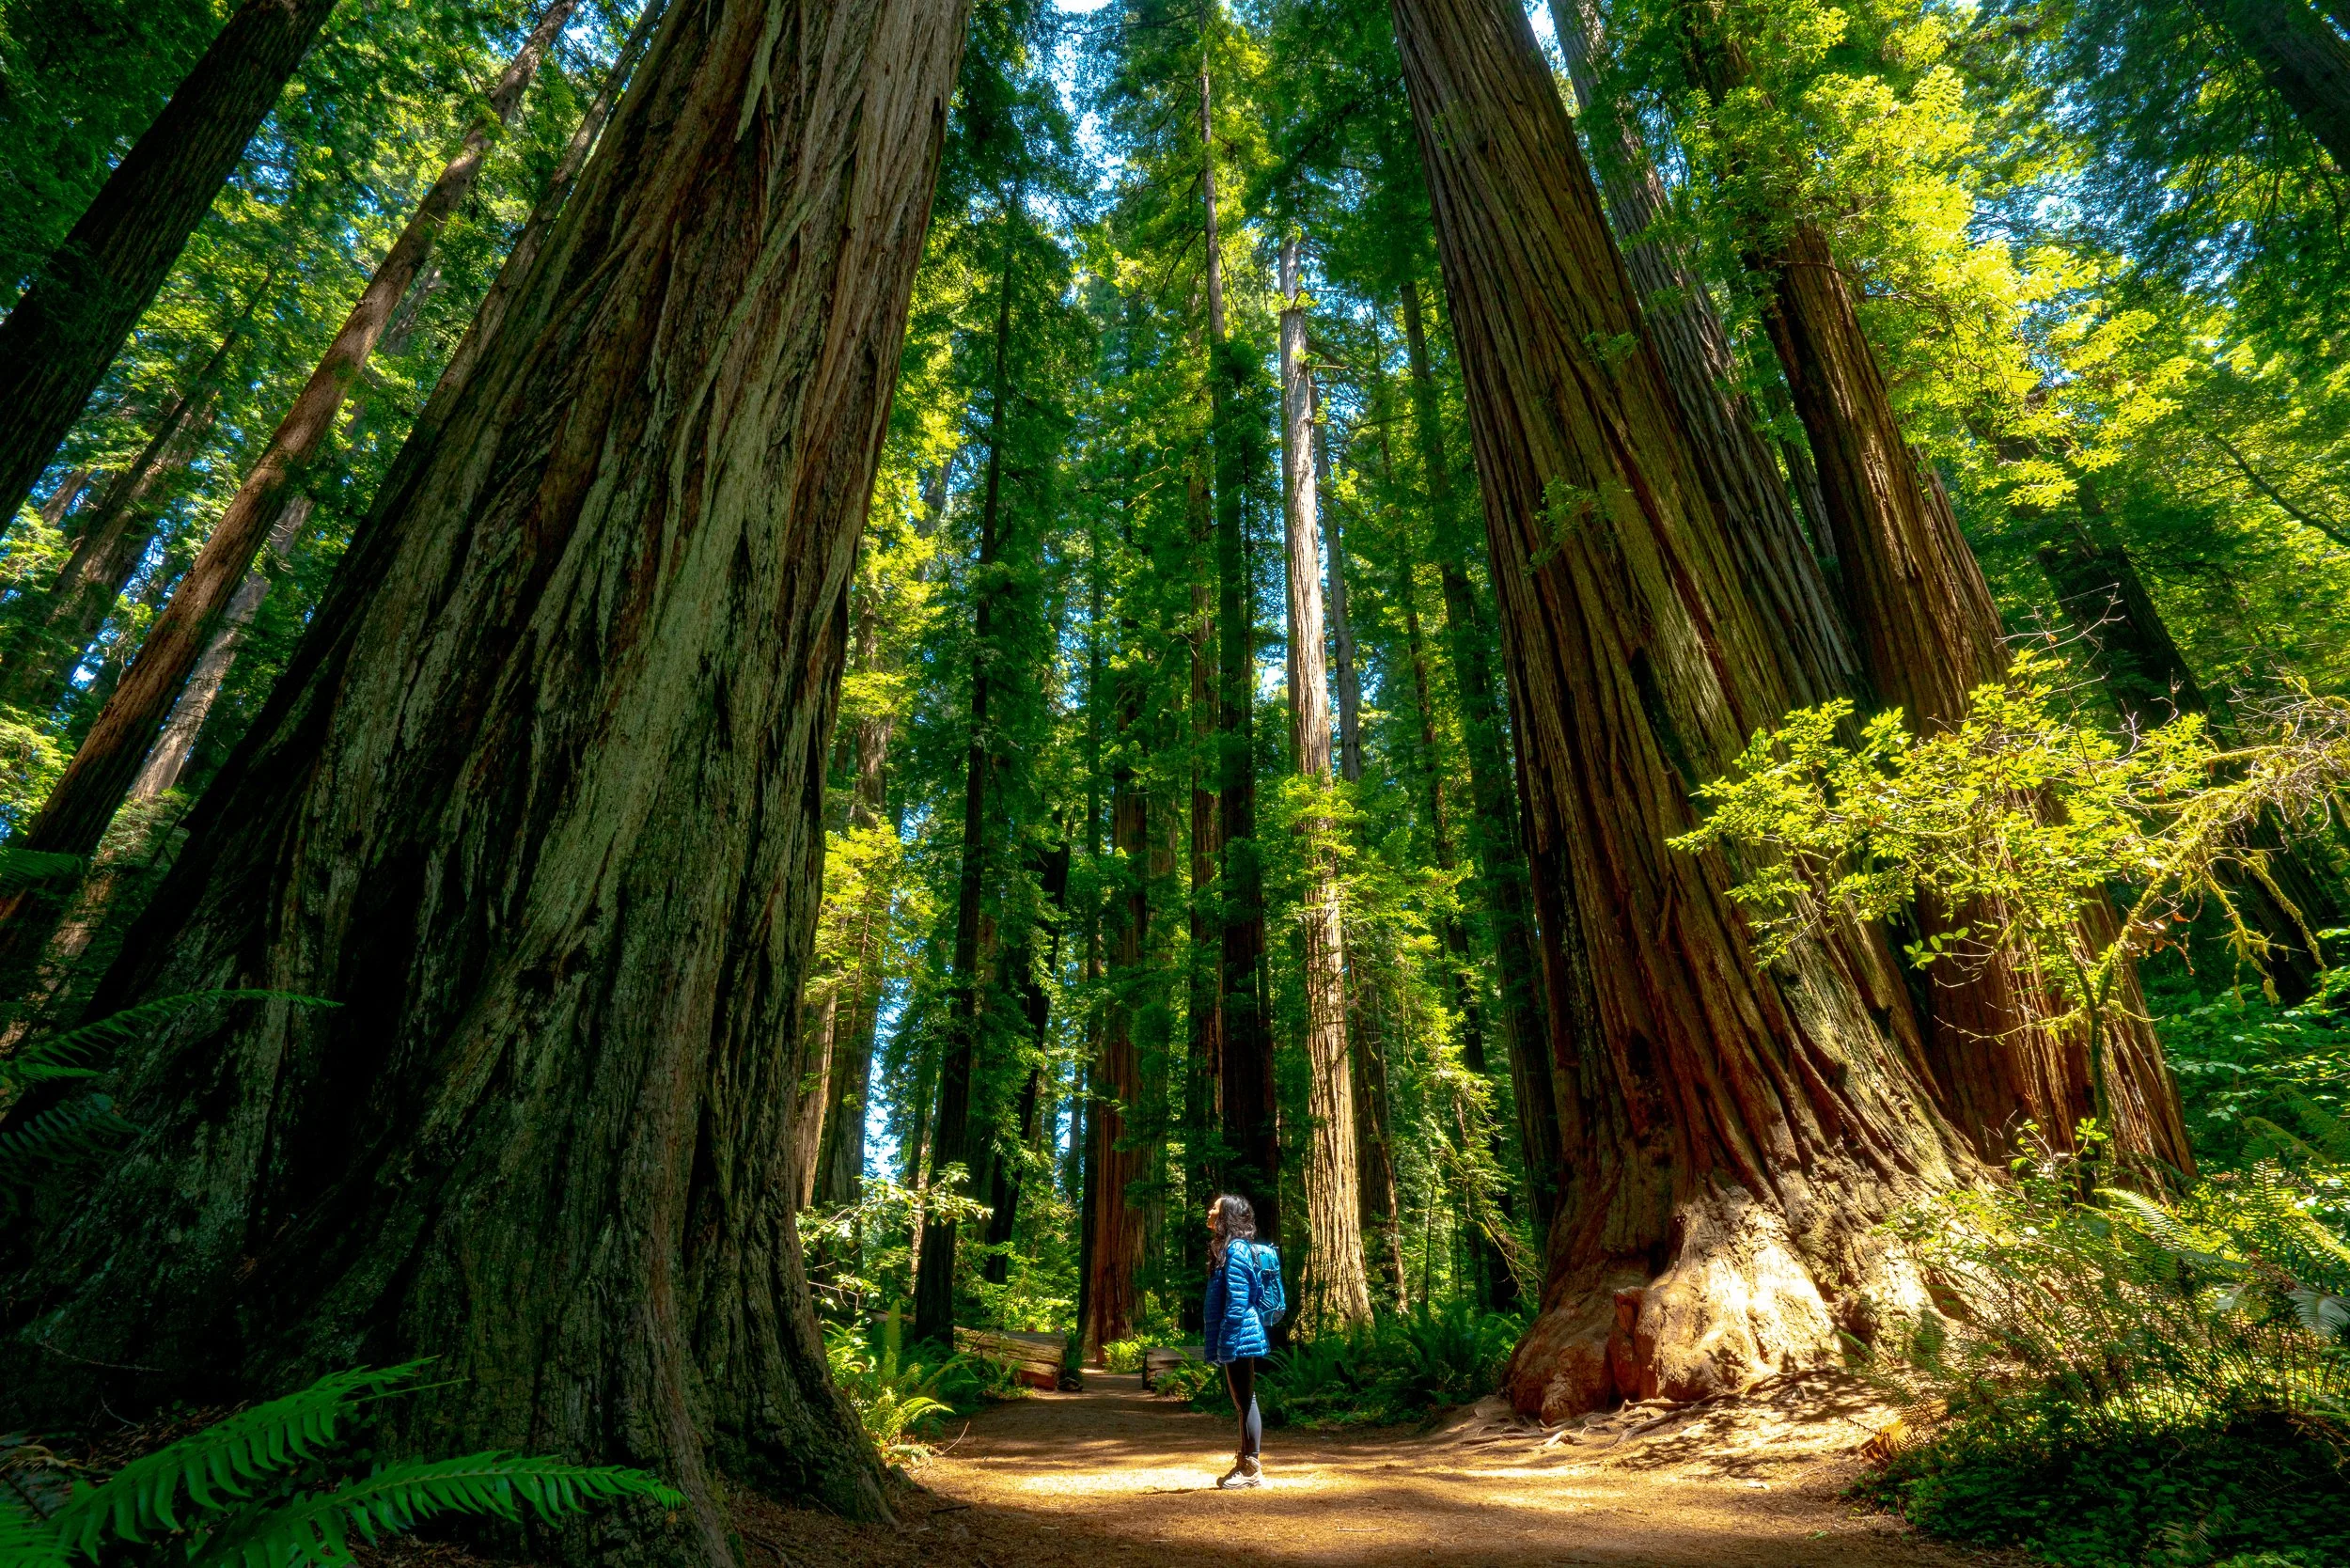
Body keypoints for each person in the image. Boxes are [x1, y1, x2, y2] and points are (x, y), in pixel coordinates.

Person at [1202, 1192, 1270, 1488]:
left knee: (1246, 1400)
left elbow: (1237, 1303)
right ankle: (1246, 1461)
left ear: (1226, 1215)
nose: (1209, 1210)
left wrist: (1226, 1343)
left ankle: (1252, 1467)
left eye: (1215, 1208)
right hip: (1237, 1334)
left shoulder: (1237, 1250)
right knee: (1243, 1400)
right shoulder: (1228, 1249)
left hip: (1241, 1334)